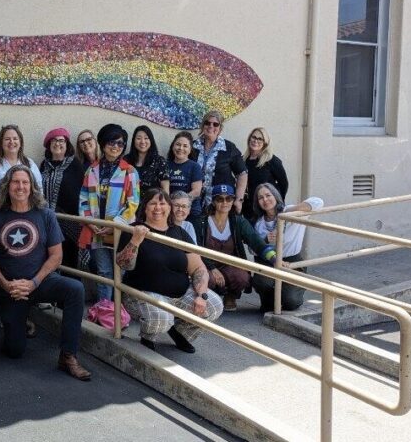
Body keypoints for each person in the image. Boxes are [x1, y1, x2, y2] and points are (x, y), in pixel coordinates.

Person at [0, 165, 91, 380]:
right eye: (15, 182)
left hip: (41, 282)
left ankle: (68, 355)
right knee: (14, 351)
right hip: (12, 289)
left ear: (32, 187)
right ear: (7, 186)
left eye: (25, 182)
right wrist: (5, 284)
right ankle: (18, 323)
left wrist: (34, 282)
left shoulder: (45, 215)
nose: (20, 187)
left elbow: (56, 256)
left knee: (75, 289)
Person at [118, 189, 222, 354]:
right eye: (152, 203)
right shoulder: (133, 230)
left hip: (179, 294)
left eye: (162, 203)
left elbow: (198, 268)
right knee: (161, 318)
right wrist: (136, 241)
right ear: (145, 208)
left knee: (214, 305)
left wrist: (201, 295)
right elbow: (124, 264)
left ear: (169, 208)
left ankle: (178, 332)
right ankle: (148, 337)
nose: (158, 207)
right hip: (143, 293)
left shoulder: (179, 232)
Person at [78, 123, 140, 301]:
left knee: (121, 272)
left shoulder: (129, 171)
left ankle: (120, 309)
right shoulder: (92, 170)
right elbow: (83, 199)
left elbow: (133, 203)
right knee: (103, 272)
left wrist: (114, 225)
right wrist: (91, 223)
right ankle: (104, 309)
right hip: (97, 231)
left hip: (120, 231)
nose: (116, 147)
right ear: (103, 144)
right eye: (112, 142)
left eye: (120, 143)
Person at [200, 184, 276, 311]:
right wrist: (212, 268)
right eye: (219, 199)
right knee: (207, 279)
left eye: (229, 198)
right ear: (213, 202)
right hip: (206, 265)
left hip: (230, 265)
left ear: (233, 201)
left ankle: (231, 296)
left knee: (242, 277)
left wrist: (274, 259)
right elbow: (197, 249)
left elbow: (256, 242)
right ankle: (208, 298)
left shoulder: (238, 221)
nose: (225, 202)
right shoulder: (202, 222)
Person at [252, 183, 323, 312]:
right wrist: (265, 240)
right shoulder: (259, 223)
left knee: (291, 302)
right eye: (260, 198)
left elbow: (318, 202)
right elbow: (253, 249)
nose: (265, 200)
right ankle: (269, 301)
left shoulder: (290, 212)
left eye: (268, 195)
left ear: (275, 195)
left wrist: (288, 212)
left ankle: (290, 292)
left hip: (291, 261)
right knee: (263, 284)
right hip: (269, 262)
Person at [39, 128, 84, 270]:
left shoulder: (75, 164)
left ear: (67, 144)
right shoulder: (43, 165)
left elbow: (82, 192)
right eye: (54, 140)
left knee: (69, 262)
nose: (58, 143)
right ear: (48, 145)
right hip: (48, 222)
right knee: (49, 260)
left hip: (70, 222)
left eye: (61, 141)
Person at [190, 110, 247, 219]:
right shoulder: (192, 146)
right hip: (196, 203)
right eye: (207, 123)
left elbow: (242, 174)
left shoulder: (229, 147)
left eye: (215, 124)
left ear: (220, 128)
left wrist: (239, 199)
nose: (211, 126)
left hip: (221, 202)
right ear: (202, 125)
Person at [0, 125, 43, 207]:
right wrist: (13, 208)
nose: (11, 142)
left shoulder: (30, 164)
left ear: (20, 142)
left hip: (29, 210)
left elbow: (39, 190)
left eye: (15, 138)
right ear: (1, 143)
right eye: (7, 139)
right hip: (3, 211)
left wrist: (25, 208)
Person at [241, 128, 289, 221]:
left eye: (260, 139)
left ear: (265, 143)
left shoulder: (272, 161)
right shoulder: (242, 160)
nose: (256, 141)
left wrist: (276, 203)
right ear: (249, 139)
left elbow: (284, 184)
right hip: (248, 210)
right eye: (253, 137)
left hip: (267, 210)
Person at [166, 131, 203, 222]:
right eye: (178, 144)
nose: (181, 148)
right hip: (170, 210)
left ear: (190, 149)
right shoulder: (165, 165)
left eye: (185, 146)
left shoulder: (195, 166)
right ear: (173, 146)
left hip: (191, 212)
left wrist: (180, 204)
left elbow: (196, 191)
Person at [125, 125, 169, 197]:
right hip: (129, 202)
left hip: (153, 202)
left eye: (146, 138)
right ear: (134, 141)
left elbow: (165, 190)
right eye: (139, 138)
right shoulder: (126, 160)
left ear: (151, 140)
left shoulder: (160, 161)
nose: (142, 141)